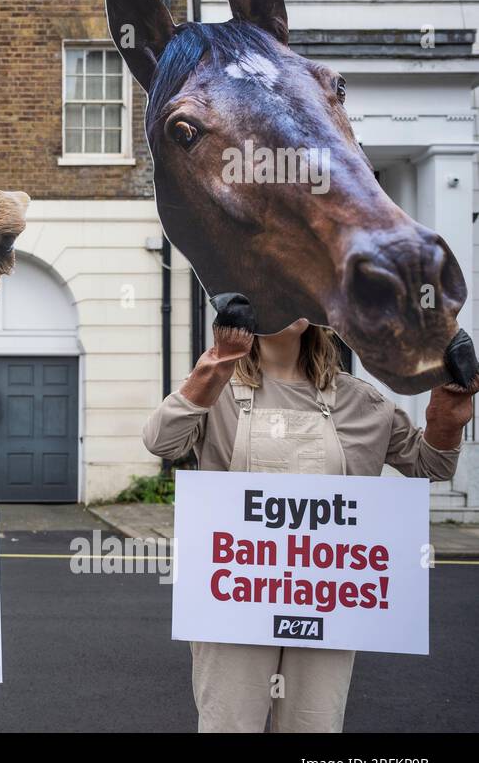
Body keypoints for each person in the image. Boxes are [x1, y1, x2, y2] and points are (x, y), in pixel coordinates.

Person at [142, 292, 476, 733]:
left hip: (327, 600)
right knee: (228, 725)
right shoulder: (216, 393)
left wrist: (446, 414)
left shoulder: (362, 401)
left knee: (314, 726)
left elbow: (431, 463)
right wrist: (218, 362)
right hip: (233, 598)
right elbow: (162, 441)